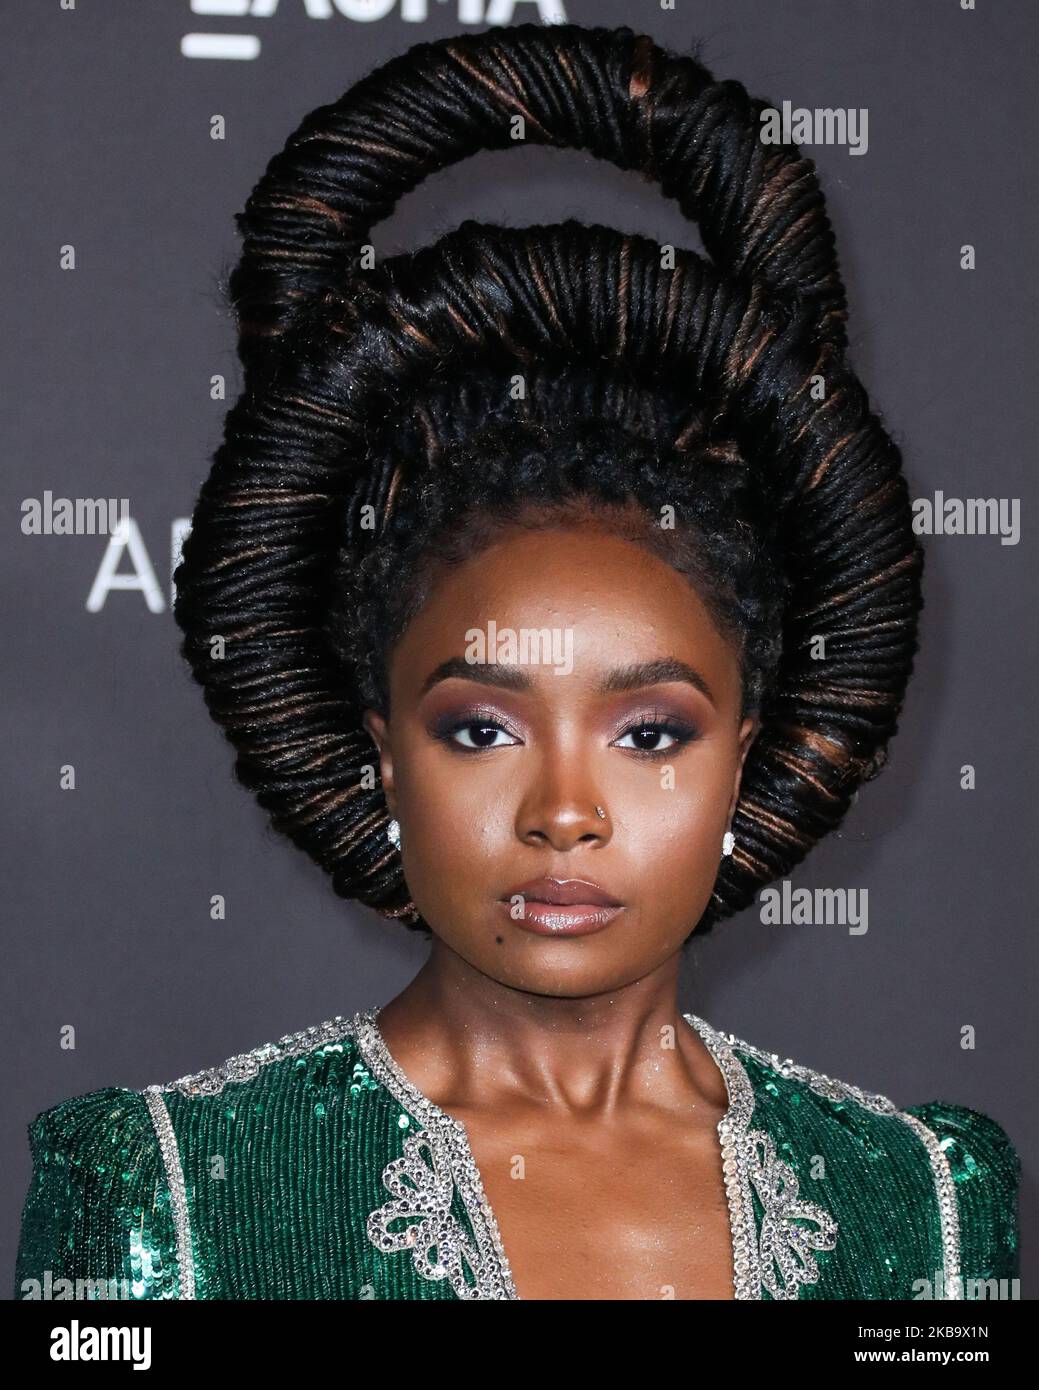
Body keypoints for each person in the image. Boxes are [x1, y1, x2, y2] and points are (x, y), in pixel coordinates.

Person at [15, 22, 1019, 1302]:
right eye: (480, 728)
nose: (562, 813)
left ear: (745, 762)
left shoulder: (923, 1200)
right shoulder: (163, 1190)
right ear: (382, 755)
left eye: (650, 733)